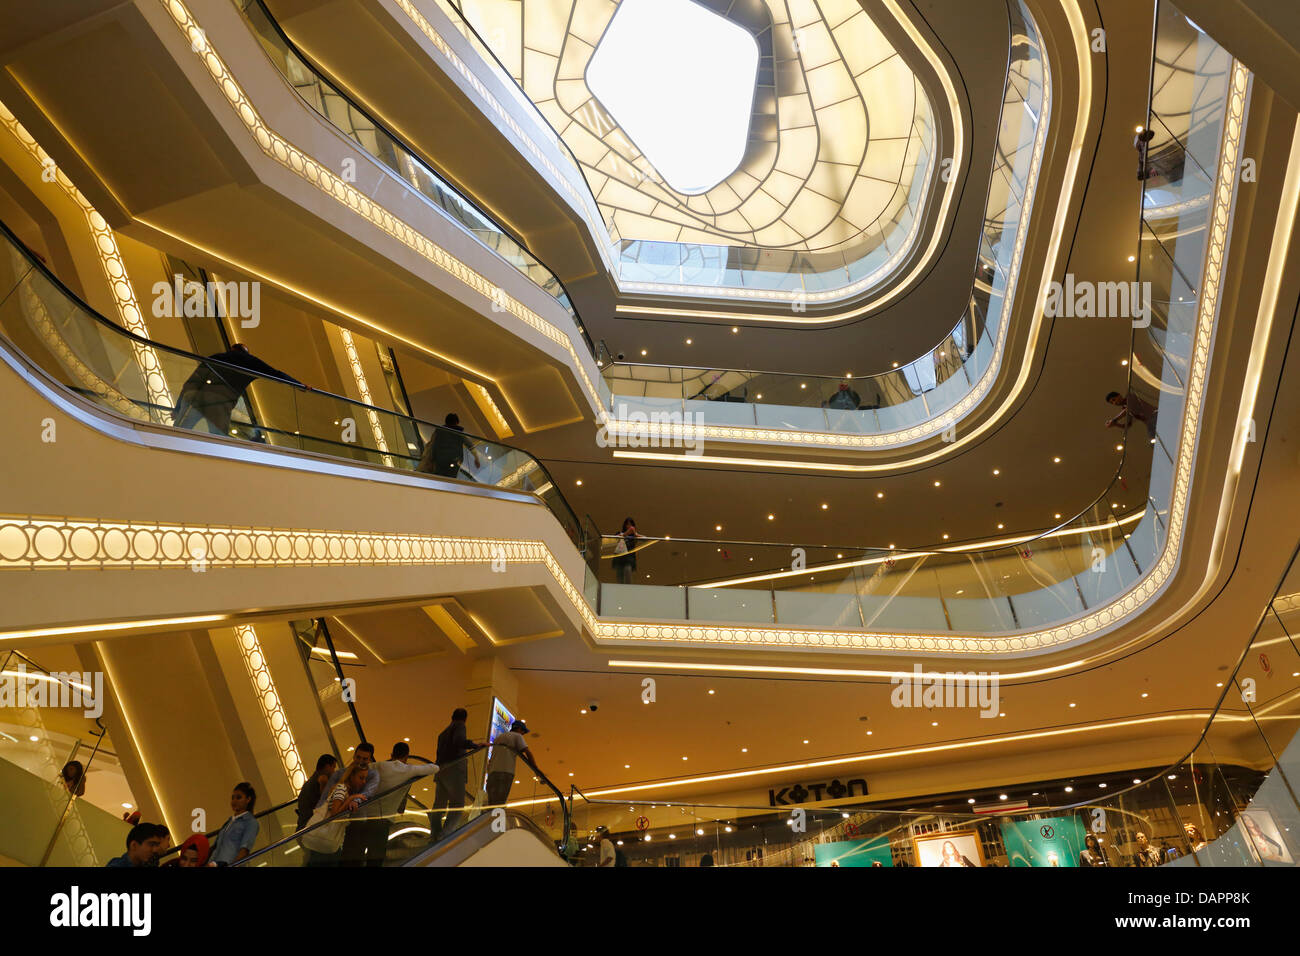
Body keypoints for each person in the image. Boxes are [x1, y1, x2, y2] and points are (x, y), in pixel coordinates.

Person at [173, 343, 306, 436]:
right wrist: (299, 385)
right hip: (221, 403)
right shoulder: (251, 362)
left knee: (181, 431)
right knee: (217, 437)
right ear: (246, 352)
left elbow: (191, 383)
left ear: (232, 349)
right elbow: (276, 374)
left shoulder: (217, 357)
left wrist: (177, 408)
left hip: (196, 397)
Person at [354, 742, 439, 867]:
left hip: (362, 816)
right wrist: (412, 768)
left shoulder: (378, 766)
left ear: (391, 754)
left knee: (355, 856)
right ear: (406, 757)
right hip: (382, 821)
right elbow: (435, 768)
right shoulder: (408, 770)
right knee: (375, 858)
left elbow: (359, 769)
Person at [307, 761, 369, 867]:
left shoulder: (345, 790)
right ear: (352, 776)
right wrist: (351, 798)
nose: (364, 782)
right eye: (361, 778)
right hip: (324, 841)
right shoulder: (341, 788)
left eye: (365, 778)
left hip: (326, 842)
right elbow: (334, 813)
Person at [430, 709, 481, 841]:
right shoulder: (460, 725)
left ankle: (434, 834)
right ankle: (445, 835)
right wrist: (475, 745)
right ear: (465, 719)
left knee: (439, 805)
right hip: (454, 770)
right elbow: (459, 741)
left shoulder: (442, 734)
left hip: (441, 770)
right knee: (457, 804)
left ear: (451, 716)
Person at [485, 720, 535, 808]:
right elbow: (527, 752)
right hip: (506, 772)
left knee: (491, 803)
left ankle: (489, 819)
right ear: (519, 729)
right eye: (523, 731)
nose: (523, 734)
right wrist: (536, 769)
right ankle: (497, 820)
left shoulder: (499, 737)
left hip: (492, 772)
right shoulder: (517, 736)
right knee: (500, 802)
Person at [417, 413, 481, 479]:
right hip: (454, 461)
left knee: (438, 477)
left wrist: (432, 459)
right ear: (456, 422)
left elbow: (433, 446)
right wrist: (476, 458)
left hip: (440, 460)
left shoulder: (439, 432)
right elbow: (470, 445)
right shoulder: (459, 433)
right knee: (451, 478)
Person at [210, 782, 259, 866]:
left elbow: (244, 850)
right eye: (233, 798)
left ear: (248, 799)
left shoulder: (251, 822)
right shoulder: (229, 822)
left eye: (239, 797)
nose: (234, 801)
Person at [297, 754, 338, 830]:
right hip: (311, 827)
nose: (333, 771)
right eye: (333, 767)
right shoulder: (321, 780)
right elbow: (326, 803)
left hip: (303, 826)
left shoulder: (311, 781)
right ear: (327, 766)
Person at [611, 517, 639, 585]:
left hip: (629, 559)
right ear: (624, 525)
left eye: (630, 525)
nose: (629, 526)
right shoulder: (620, 533)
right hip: (619, 558)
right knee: (620, 577)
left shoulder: (634, 537)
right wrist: (626, 533)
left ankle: (628, 590)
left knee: (628, 572)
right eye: (627, 524)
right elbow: (615, 539)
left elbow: (645, 538)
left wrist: (635, 534)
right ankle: (621, 591)